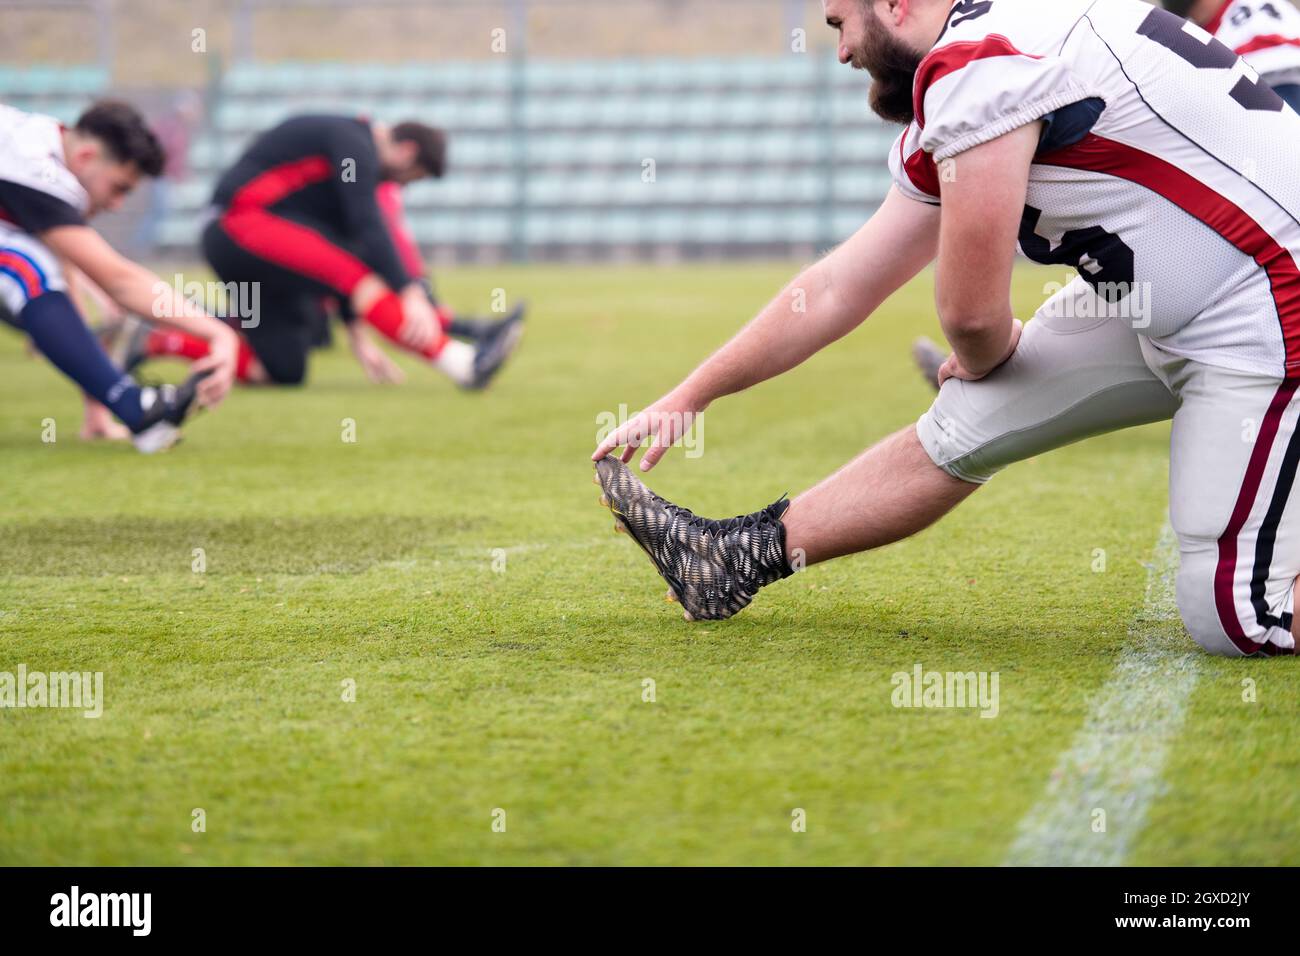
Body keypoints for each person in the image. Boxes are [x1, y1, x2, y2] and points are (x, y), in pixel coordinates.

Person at [592, 0, 1300, 658]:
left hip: (1266, 294)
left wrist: (985, 348)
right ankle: (729, 560)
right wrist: (693, 394)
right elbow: (838, 288)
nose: (840, 51)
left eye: (842, 23)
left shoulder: (977, 67)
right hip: (1207, 281)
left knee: (1236, 613)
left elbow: (971, 314)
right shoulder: (1000, 43)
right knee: (975, 416)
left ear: (897, 3)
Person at [913, 0, 1300, 388]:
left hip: (1259, 253)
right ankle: (989, 389)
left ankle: (993, 385)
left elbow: (1279, 154)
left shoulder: (1255, 23)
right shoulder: (1160, 26)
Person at [143, 113, 521, 389]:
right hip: (238, 224)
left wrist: (357, 333)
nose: (403, 186)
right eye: (412, 177)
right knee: (357, 276)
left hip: (248, 248)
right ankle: (462, 363)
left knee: (282, 370)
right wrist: (410, 291)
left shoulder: (348, 145)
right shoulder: (352, 140)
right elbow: (366, 222)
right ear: (407, 151)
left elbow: (344, 240)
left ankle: (157, 338)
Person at [0, 100, 238, 452]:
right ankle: (138, 409)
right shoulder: (34, 167)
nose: (116, 205)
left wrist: (99, 407)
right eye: (120, 187)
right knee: (26, 265)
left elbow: (65, 291)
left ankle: (131, 407)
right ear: (86, 157)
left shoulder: (39, 150)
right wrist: (218, 333)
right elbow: (120, 281)